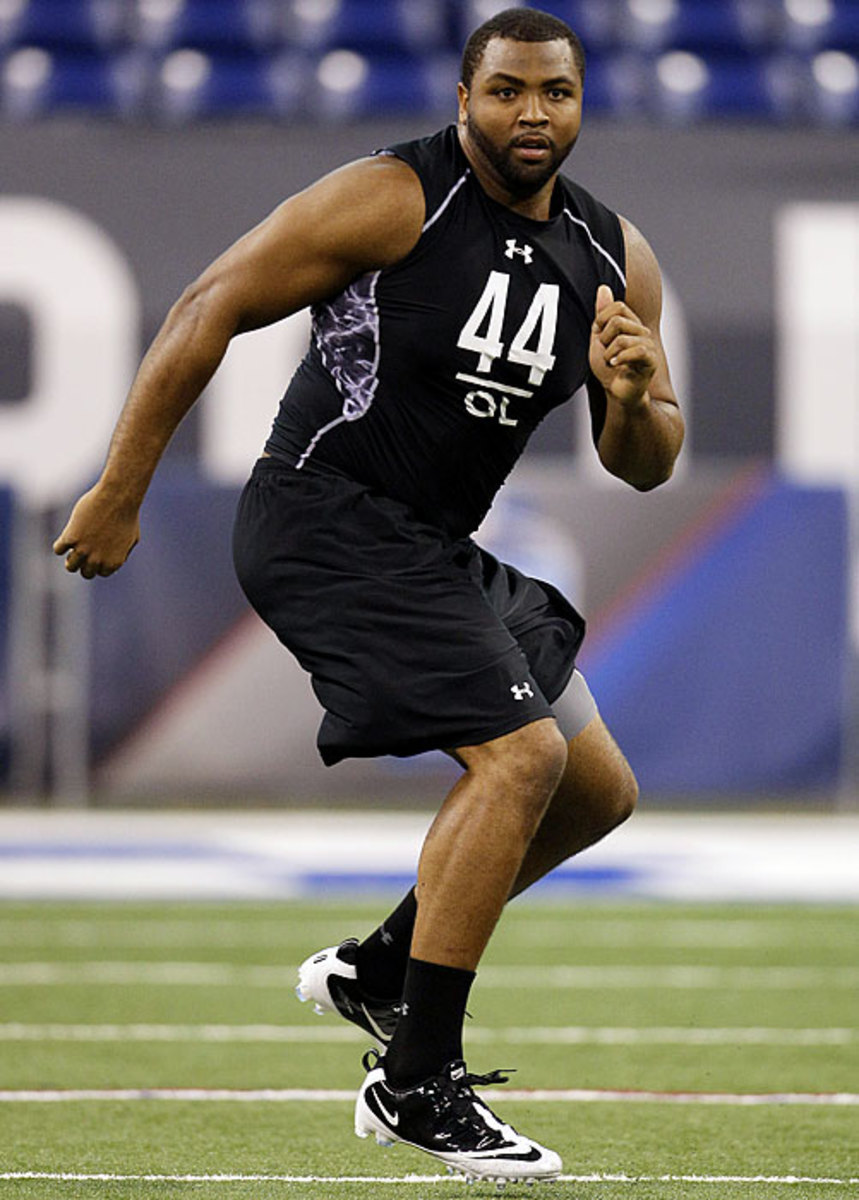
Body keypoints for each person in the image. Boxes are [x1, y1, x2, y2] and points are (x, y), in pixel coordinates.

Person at [54, 7, 684, 1183]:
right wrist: (119, 488)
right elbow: (209, 305)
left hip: (431, 543)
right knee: (520, 758)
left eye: (554, 92)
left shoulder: (613, 259)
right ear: (463, 98)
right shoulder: (397, 195)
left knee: (596, 789)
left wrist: (637, 394)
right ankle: (416, 1080)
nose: (530, 114)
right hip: (321, 516)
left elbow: (643, 459)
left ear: (582, 102)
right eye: (505, 91)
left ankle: (381, 971)